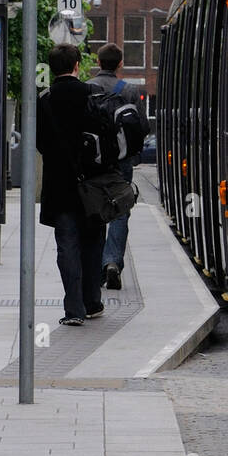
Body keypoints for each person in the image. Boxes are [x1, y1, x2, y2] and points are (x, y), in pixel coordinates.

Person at [36, 43, 105, 327]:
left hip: (59, 186)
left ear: (53, 68)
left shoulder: (44, 100)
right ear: (77, 65)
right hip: (92, 185)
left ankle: (73, 309)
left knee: (67, 247)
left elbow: (39, 143)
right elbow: (105, 137)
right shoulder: (93, 95)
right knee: (93, 243)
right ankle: (93, 302)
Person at [88, 43, 136, 291]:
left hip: (93, 162)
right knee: (120, 211)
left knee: (94, 210)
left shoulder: (86, 88)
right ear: (120, 64)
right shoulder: (127, 90)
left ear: (98, 62)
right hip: (121, 162)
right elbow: (137, 128)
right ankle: (112, 262)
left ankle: (95, 266)